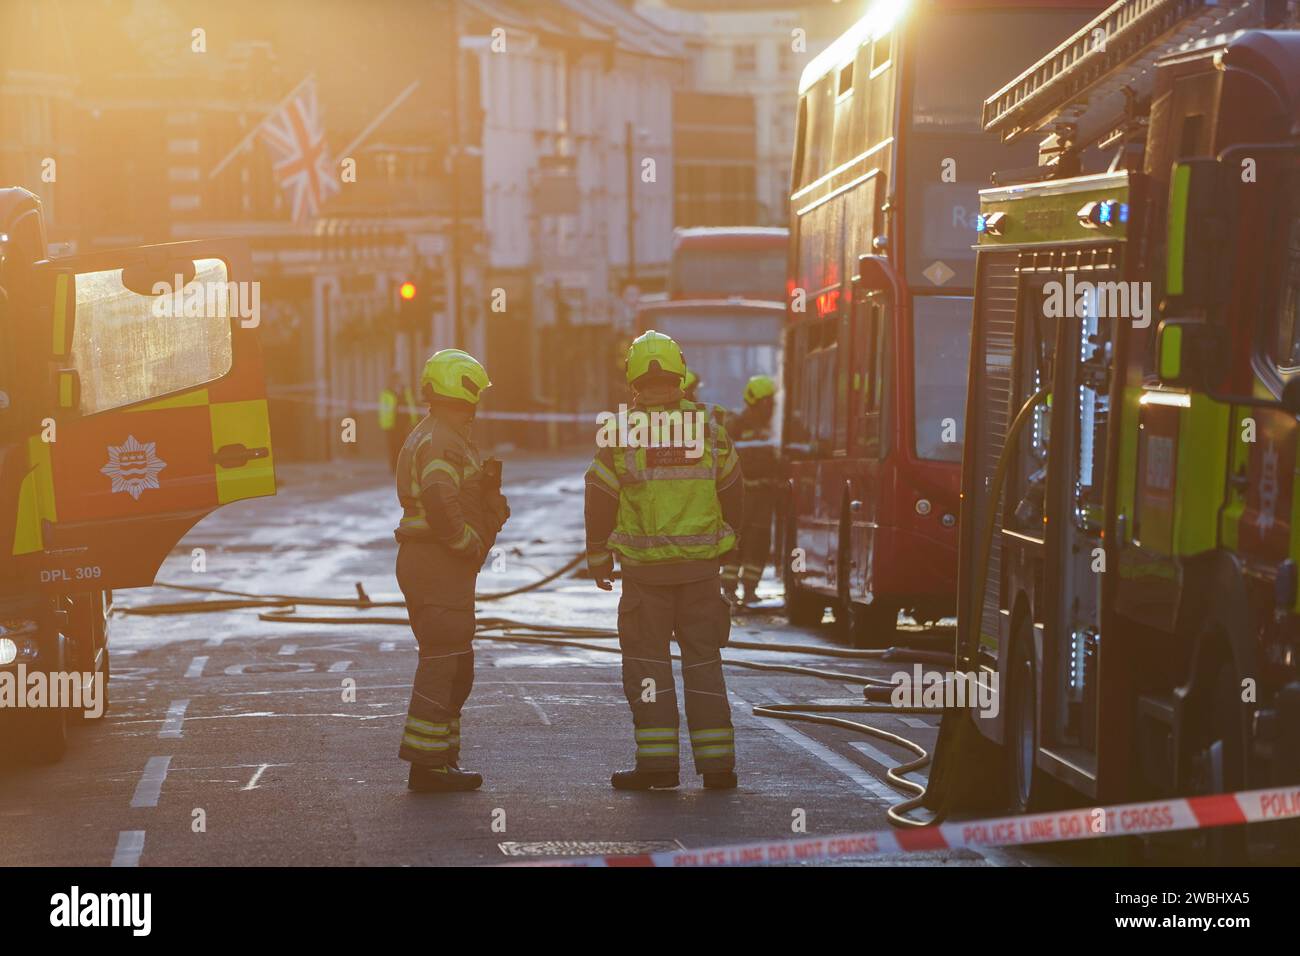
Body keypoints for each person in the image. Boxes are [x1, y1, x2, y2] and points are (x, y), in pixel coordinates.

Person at [585, 330, 744, 791]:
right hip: (700, 573)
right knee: (703, 662)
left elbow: (598, 496)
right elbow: (735, 490)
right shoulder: (709, 424)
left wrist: (598, 556)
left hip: (645, 577)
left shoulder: (620, 431)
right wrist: (732, 544)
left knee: (648, 666)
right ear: (679, 371)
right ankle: (717, 767)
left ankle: (657, 767)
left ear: (633, 376)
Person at [393, 349, 509, 792]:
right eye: (476, 393)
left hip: (437, 563)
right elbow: (441, 498)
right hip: (437, 561)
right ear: (464, 389)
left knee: (456, 664)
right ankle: (428, 767)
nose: (478, 403)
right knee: (443, 663)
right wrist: (467, 544)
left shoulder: (439, 434)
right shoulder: (441, 439)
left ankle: (442, 759)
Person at [722, 374, 777, 605]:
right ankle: (729, 589)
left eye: (772, 401)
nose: (770, 406)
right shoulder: (736, 424)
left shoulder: (775, 425)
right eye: (767, 401)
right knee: (736, 542)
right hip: (741, 496)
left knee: (759, 542)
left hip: (764, 496)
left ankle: (751, 589)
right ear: (755, 400)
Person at [379, 371, 416, 474]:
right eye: (394, 379)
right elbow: (383, 409)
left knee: (402, 445)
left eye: (398, 379)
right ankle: (394, 467)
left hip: (404, 423)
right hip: (391, 423)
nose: (397, 381)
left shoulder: (405, 390)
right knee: (393, 446)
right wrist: (385, 423)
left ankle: (401, 467)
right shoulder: (387, 392)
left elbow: (410, 403)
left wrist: (413, 418)